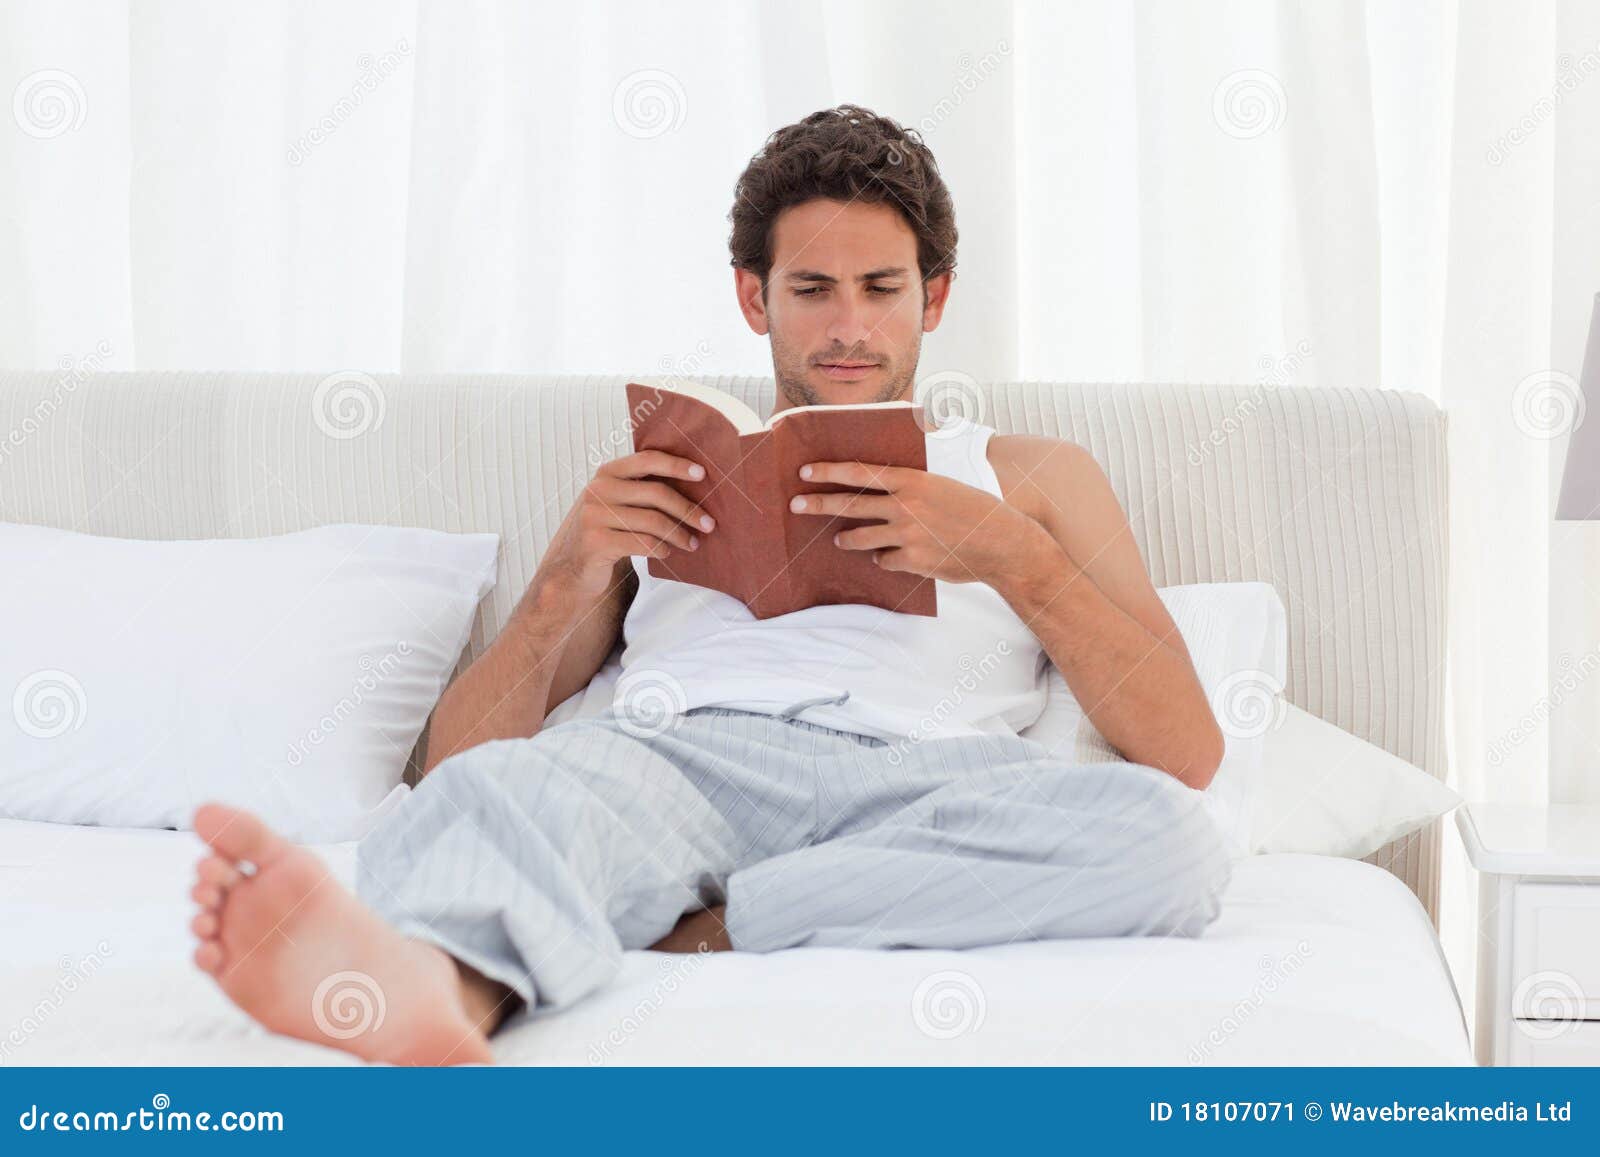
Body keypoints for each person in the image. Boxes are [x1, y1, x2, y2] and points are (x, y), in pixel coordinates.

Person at [187, 105, 1231, 1066]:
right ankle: (436, 999)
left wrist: (1011, 554)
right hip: (678, 764)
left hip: (931, 784)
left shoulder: (1033, 474)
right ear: (753, 297)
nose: (850, 328)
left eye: (882, 289)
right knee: (486, 799)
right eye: (811, 290)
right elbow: (459, 761)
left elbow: (1185, 751)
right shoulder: (670, 466)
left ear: (935, 297)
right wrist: (568, 574)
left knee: (1171, 839)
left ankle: (714, 928)